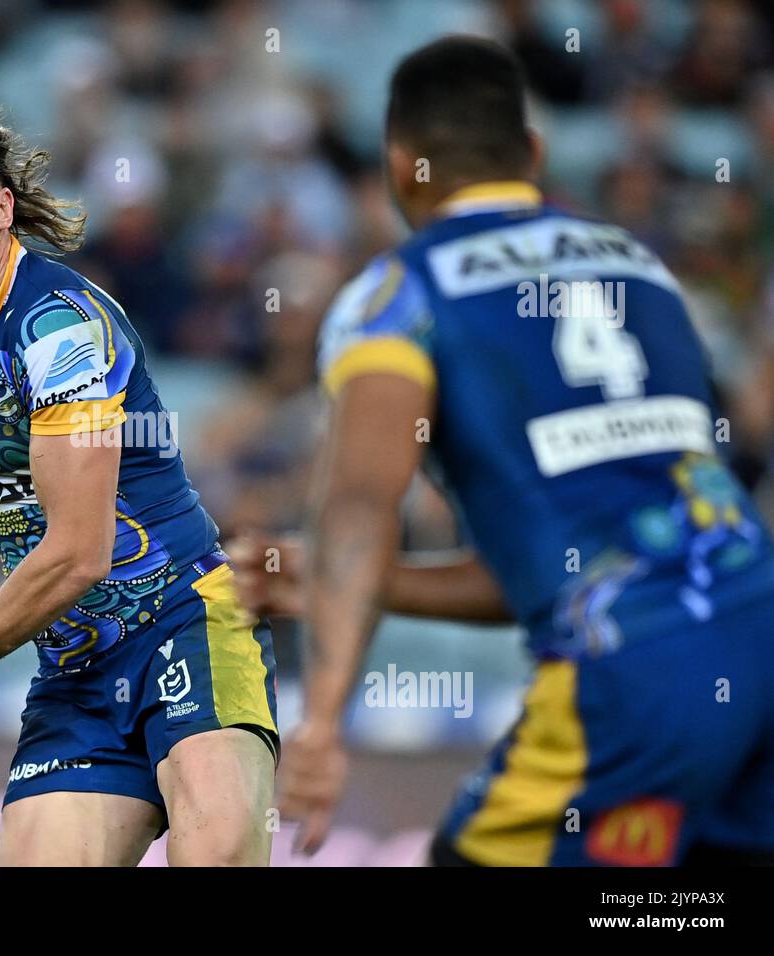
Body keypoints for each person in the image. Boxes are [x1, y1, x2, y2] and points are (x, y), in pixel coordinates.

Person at [277, 36, 774, 866]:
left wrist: (323, 722)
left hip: (629, 674)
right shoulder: (641, 269)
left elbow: (360, 502)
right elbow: (568, 560)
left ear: (403, 167)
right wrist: (337, 580)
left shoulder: (396, 298)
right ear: (535, 153)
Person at [0, 93, 279, 866]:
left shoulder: (61, 325)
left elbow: (81, 551)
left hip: (186, 627)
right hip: (74, 673)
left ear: (1, 206)